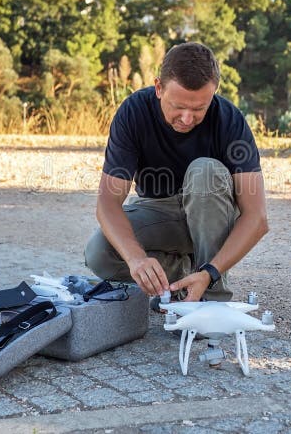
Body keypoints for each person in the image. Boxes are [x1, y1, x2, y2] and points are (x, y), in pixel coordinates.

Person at [84, 42, 268, 303]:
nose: (187, 119)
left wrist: (211, 271)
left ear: (214, 92)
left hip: (214, 217)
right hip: (162, 213)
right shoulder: (133, 112)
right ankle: (184, 275)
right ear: (159, 88)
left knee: (205, 170)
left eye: (199, 109)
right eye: (178, 106)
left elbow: (257, 217)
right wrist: (136, 259)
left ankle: (210, 296)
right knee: (99, 253)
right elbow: (108, 202)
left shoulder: (230, 119)